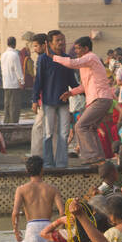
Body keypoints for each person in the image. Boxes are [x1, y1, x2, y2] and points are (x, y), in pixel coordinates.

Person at [52, 35, 115, 163]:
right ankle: (98, 156)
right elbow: (84, 86)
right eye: (75, 49)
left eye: (78, 49)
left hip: (100, 98)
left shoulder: (91, 57)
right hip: (99, 99)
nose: (76, 51)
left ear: (86, 48)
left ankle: (91, 156)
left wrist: (53, 57)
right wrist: (71, 93)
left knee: (80, 126)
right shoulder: (86, 63)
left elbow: (71, 63)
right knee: (90, 127)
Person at [33, 30, 77, 169]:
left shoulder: (67, 58)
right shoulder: (44, 59)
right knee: (48, 133)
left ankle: (62, 163)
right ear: (50, 43)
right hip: (48, 102)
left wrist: (84, 90)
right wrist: (34, 100)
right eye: (58, 40)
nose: (61, 42)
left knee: (64, 134)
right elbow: (39, 80)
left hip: (63, 102)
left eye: (62, 40)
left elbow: (72, 81)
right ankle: (48, 163)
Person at [12, 155, 64, 242]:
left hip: (32, 228)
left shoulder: (21, 189)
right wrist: (61, 230)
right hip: (48, 228)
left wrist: (16, 231)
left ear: (27, 171)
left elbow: (15, 213)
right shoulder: (53, 189)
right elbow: (62, 212)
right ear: (42, 170)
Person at [0, 36, 24, 126]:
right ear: (15, 44)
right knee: (14, 107)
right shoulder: (14, 55)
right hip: (14, 84)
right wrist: (22, 82)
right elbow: (18, 70)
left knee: (7, 106)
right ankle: (14, 124)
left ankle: (6, 123)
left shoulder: (3, 55)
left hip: (6, 84)